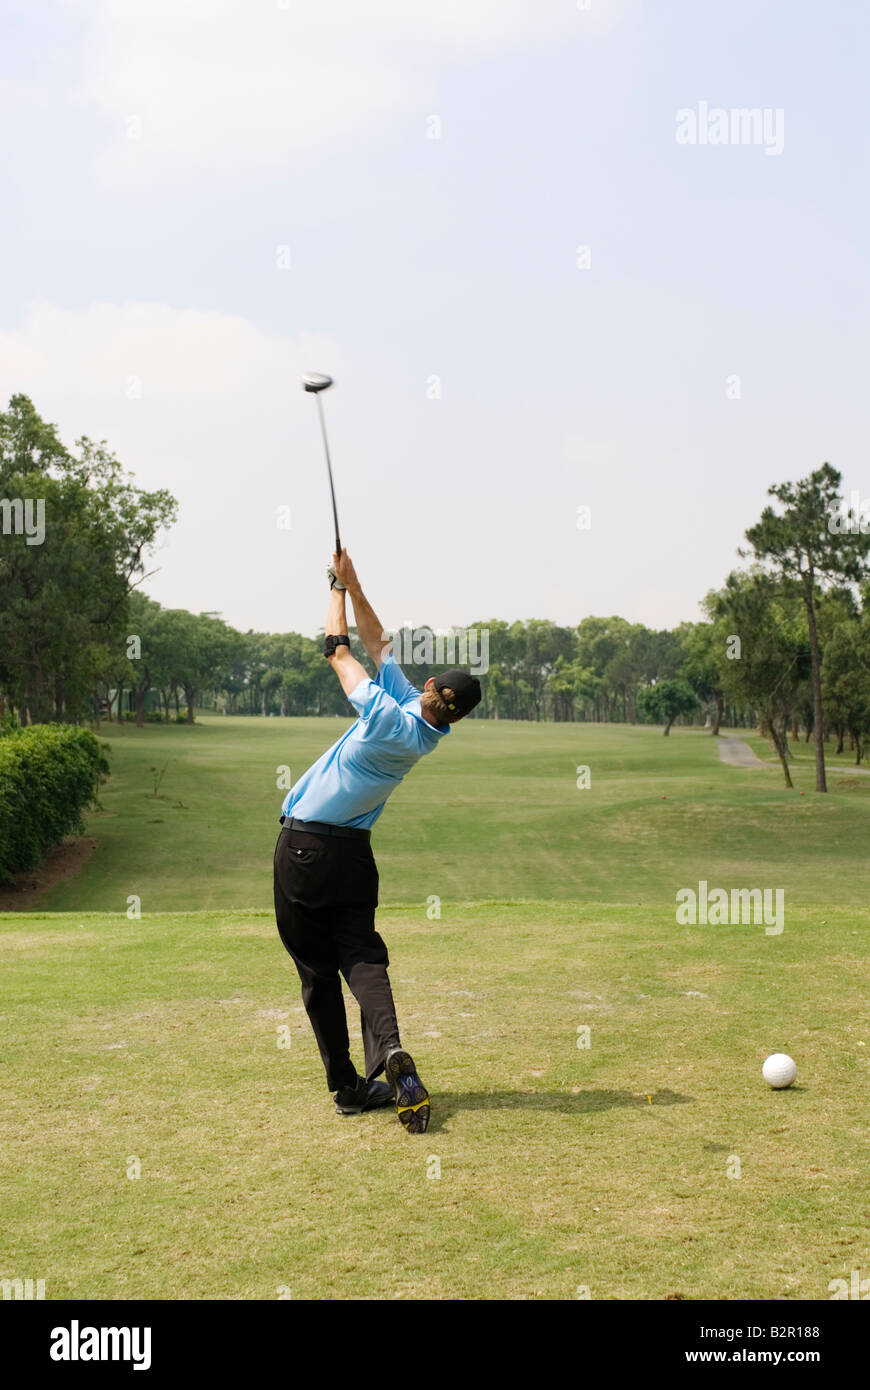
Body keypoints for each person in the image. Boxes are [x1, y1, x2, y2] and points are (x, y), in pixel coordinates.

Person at [273, 549, 481, 1133]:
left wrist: (333, 590)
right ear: (455, 715)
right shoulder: (423, 731)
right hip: (354, 859)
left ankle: (347, 1087)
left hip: (306, 850)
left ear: (433, 684)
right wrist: (356, 583)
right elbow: (378, 644)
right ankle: (388, 1051)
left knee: (317, 970)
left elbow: (340, 653)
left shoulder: (387, 717)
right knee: (361, 955)